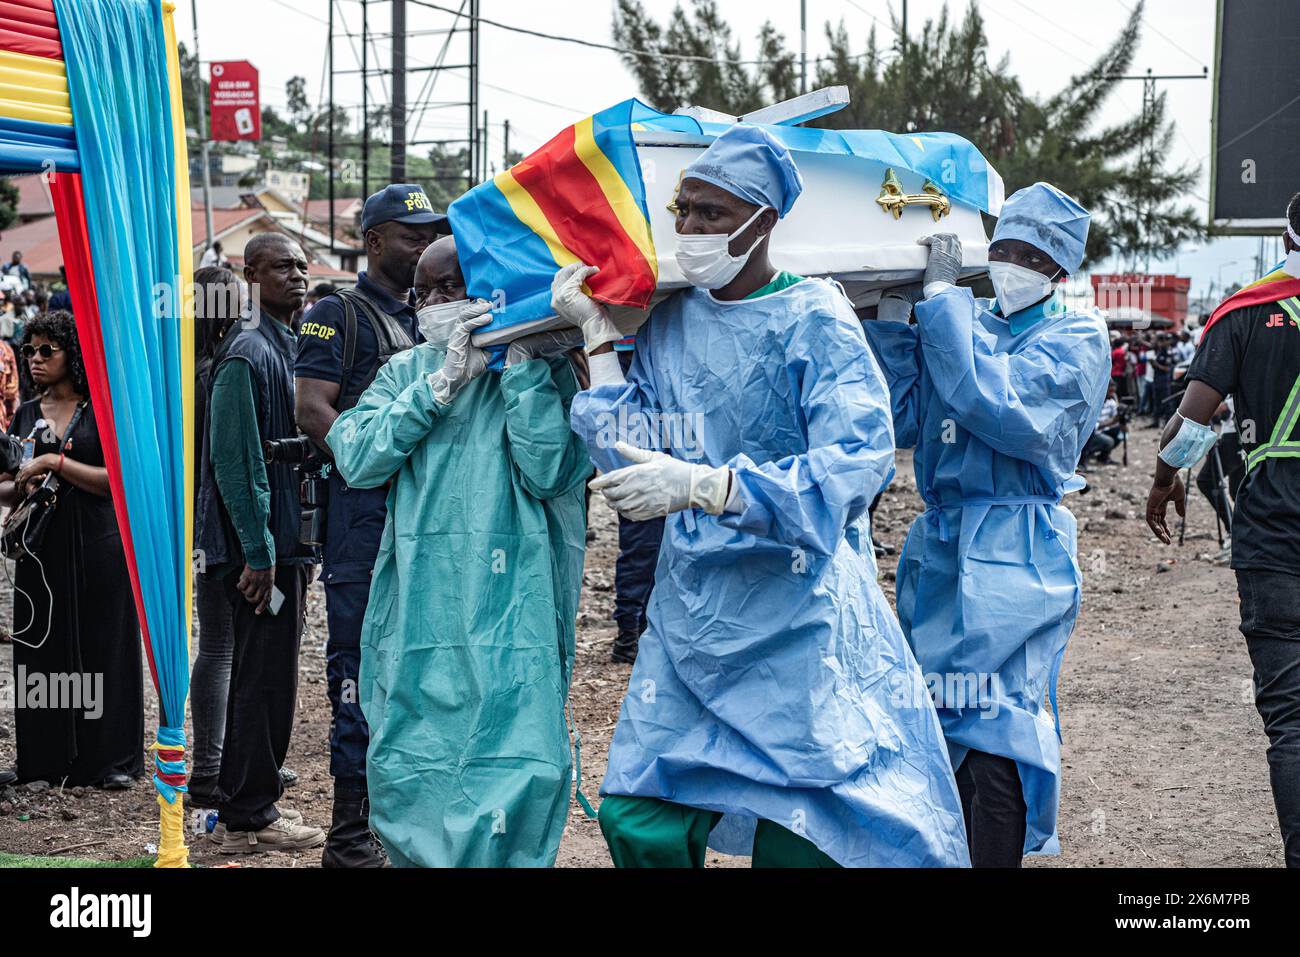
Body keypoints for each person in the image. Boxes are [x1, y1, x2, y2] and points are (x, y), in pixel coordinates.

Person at [560, 124, 969, 868]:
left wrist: (714, 486)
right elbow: (630, 449)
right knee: (638, 810)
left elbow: (856, 463)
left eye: (711, 215)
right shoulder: (669, 323)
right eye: (684, 210)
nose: (690, 228)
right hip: (694, 612)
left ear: (763, 221)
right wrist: (596, 340)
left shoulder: (815, 315)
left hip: (797, 608)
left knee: (807, 821)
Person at [864, 182, 1111, 867]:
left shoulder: (1076, 336)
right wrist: (890, 313)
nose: (1011, 262)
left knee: (997, 732)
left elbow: (997, 408)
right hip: (943, 548)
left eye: (1030, 253)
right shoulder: (971, 325)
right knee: (942, 726)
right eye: (1002, 247)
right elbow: (907, 415)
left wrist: (942, 305)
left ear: (1059, 268)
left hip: (1019, 552)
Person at [325, 235, 591, 867]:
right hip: (423, 601)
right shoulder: (410, 370)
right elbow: (357, 457)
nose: (440, 303)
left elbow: (550, 471)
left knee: (517, 740)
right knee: (414, 740)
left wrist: (522, 368)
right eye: (427, 292)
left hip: (515, 606)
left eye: (455, 288)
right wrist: (440, 387)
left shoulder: (547, 369)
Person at [1147, 191, 1300, 866]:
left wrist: (1163, 479)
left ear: (1287, 236)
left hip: (1273, 541)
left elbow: (1195, 416)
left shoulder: (1244, 311)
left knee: (1292, 719)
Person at [294, 185, 439, 867]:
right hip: (360, 523)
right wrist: (374, 457)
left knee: (413, 677)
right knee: (357, 675)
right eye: (412, 235)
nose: (423, 245)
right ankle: (350, 838)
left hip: (419, 524)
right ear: (375, 240)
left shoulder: (424, 319)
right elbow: (314, 411)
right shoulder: (336, 313)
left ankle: (395, 823)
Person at [193, 233, 325, 855]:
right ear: (250, 277)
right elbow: (237, 463)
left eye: (302, 265)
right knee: (258, 677)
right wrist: (257, 553)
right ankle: (251, 811)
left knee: (271, 674)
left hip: (285, 546)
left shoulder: (287, 344)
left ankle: (254, 795)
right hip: (258, 554)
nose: (297, 276)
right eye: (282, 267)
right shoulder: (246, 352)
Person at [0, 312, 144, 788]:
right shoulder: (24, 415)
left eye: (47, 350)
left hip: (98, 542)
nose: (35, 359)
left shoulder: (99, 409)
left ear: (72, 355)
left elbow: (116, 483)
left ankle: (109, 762)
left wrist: (53, 462)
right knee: (42, 647)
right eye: (29, 351)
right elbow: (8, 486)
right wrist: (21, 480)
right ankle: (43, 760)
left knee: (105, 646)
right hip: (41, 552)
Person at [607, 336, 664, 665]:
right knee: (643, 507)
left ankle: (637, 627)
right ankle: (630, 631)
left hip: (652, 351)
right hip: (624, 356)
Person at [1081, 383, 1123, 467]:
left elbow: (1116, 419)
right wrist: (1111, 422)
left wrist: (1122, 418)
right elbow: (1093, 427)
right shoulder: (1094, 403)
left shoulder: (1111, 402)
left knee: (1122, 433)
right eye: (1110, 388)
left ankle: (1103, 456)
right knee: (1109, 441)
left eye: (1114, 387)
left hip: (1103, 430)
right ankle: (1088, 453)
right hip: (1092, 434)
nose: (1112, 391)